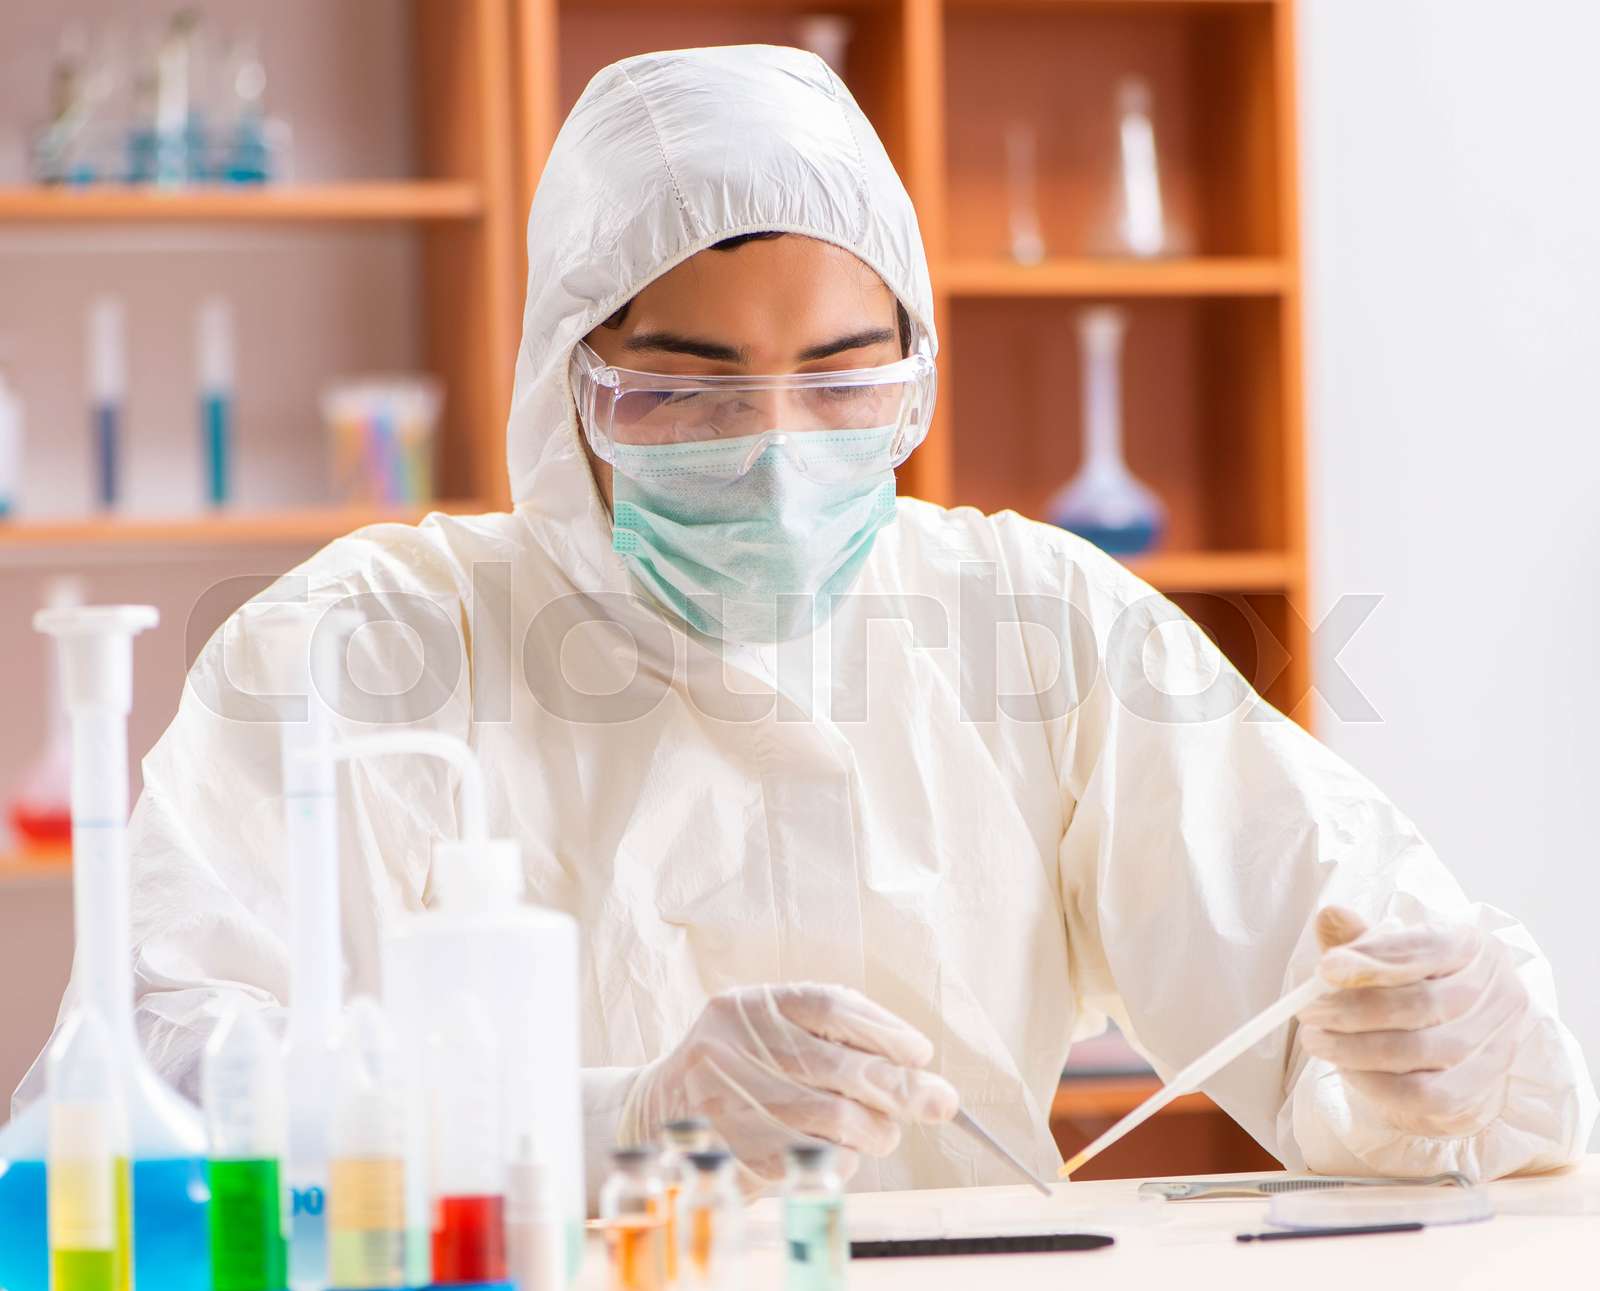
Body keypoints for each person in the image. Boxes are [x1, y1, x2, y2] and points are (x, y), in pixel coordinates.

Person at [20, 46, 1594, 1201]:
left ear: (917, 373)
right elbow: (151, 1093)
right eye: (693, 389)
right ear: (569, 389)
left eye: (844, 383)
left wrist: (1444, 1053)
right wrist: (615, 1119)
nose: (776, 454)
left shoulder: (1027, 618)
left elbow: (1328, 954)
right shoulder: (369, 644)